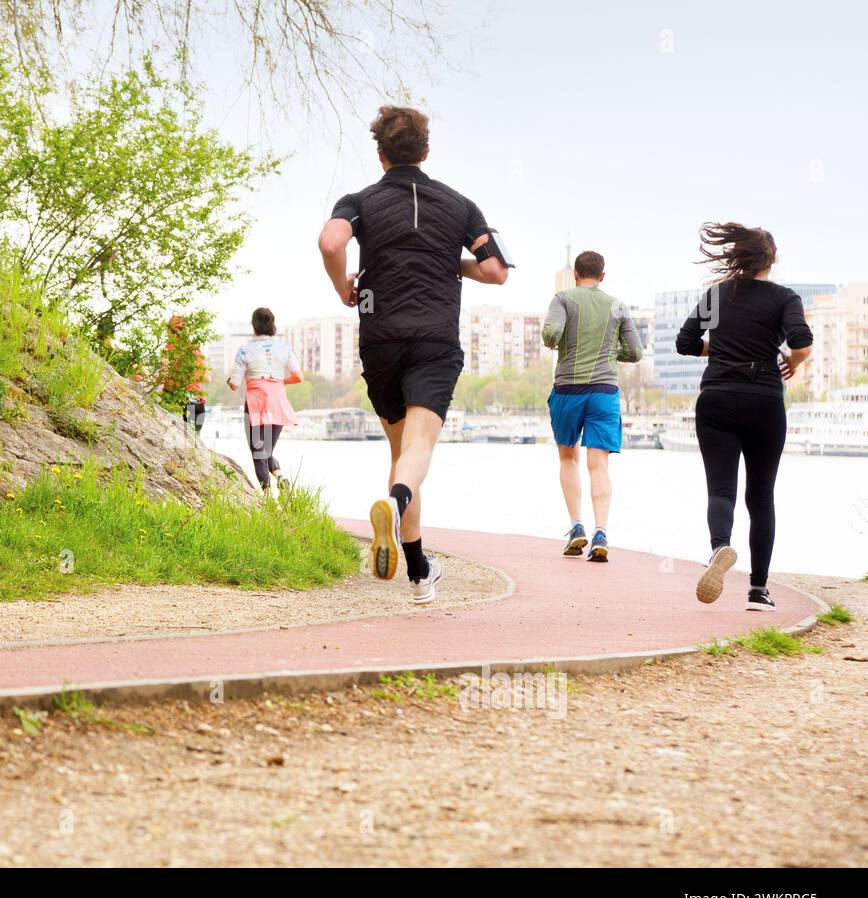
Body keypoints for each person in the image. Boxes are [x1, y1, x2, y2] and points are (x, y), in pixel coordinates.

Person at [317, 105, 510, 604]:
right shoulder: (461, 205)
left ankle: (420, 573)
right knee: (418, 452)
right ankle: (395, 503)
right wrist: (454, 263)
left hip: (379, 339)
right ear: (426, 152)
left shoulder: (359, 200)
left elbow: (330, 241)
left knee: (401, 451)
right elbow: (496, 271)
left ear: (380, 154)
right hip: (433, 340)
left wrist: (344, 288)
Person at [675, 222, 813, 611]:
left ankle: (720, 546)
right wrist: (794, 361)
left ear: (739, 257)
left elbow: (685, 342)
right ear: (771, 260)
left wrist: (717, 352)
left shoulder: (717, 295)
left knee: (721, 490)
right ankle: (758, 591)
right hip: (764, 400)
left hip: (716, 399)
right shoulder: (784, 297)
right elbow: (801, 342)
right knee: (761, 497)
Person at [541, 250, 643, 562]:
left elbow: (549, 333)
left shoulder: (562, 299)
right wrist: (612, 355)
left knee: (568, 457)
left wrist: (558, 344)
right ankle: (601, 531)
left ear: (575, 274)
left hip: (568, 390)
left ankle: (576, 527)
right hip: (603, 392)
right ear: (602, 276)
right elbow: (636, 352)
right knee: (598, 465)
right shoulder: (617, 305)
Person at [227, 307, 302, 492]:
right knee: (265, 450)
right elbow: (298, 377)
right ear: (272, 324)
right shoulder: (284, 348)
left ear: (253, 325)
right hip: (277, 400)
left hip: (255, 402)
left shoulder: (245, 350)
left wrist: (229, 380)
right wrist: (280, 381)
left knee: (258, 450)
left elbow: (235, 384)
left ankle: (268, 496)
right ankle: (280, 475)